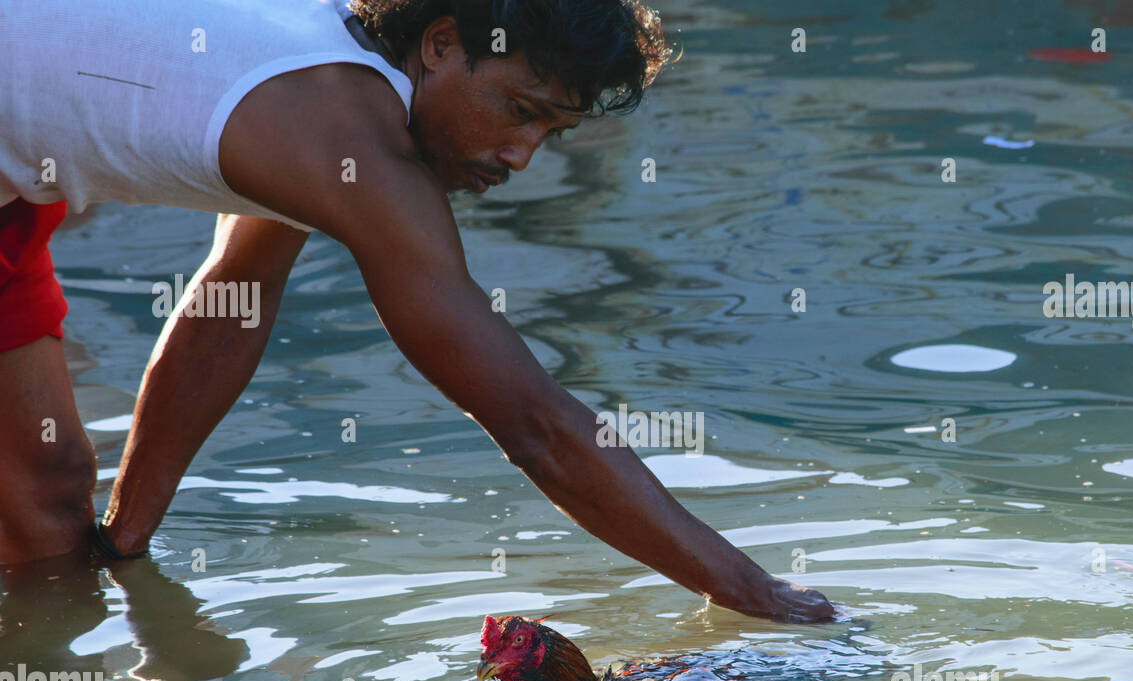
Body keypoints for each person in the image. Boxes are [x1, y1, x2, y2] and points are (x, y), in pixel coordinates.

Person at [0, 0, 835, 622]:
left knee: (49, 500)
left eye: (552, 131)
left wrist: (129, 534)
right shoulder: (354, 142)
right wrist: (750, 589)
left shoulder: (329, 83)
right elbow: (534, 423)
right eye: (520, 110)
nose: (520, 155)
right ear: (442, 44)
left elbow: (234, 298)